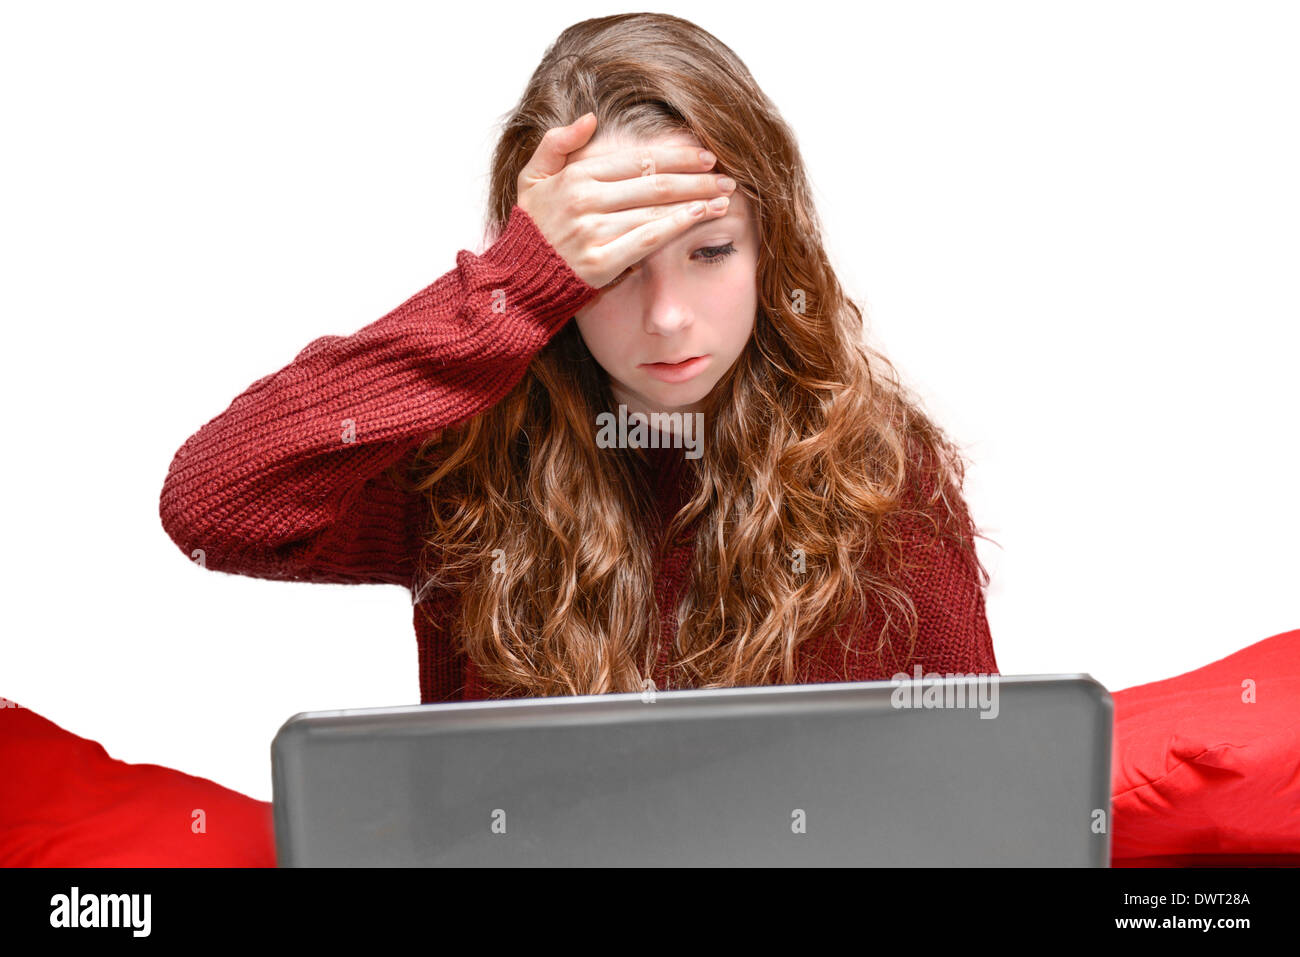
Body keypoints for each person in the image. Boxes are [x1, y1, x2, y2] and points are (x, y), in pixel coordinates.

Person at [159, 12, 997, 704]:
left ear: (770, 250)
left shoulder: (879, 472)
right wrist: (510, 289)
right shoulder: (468, 469)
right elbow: (213, 505)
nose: (668, 319)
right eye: (614, 268)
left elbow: (975, 774)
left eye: (710, 252)